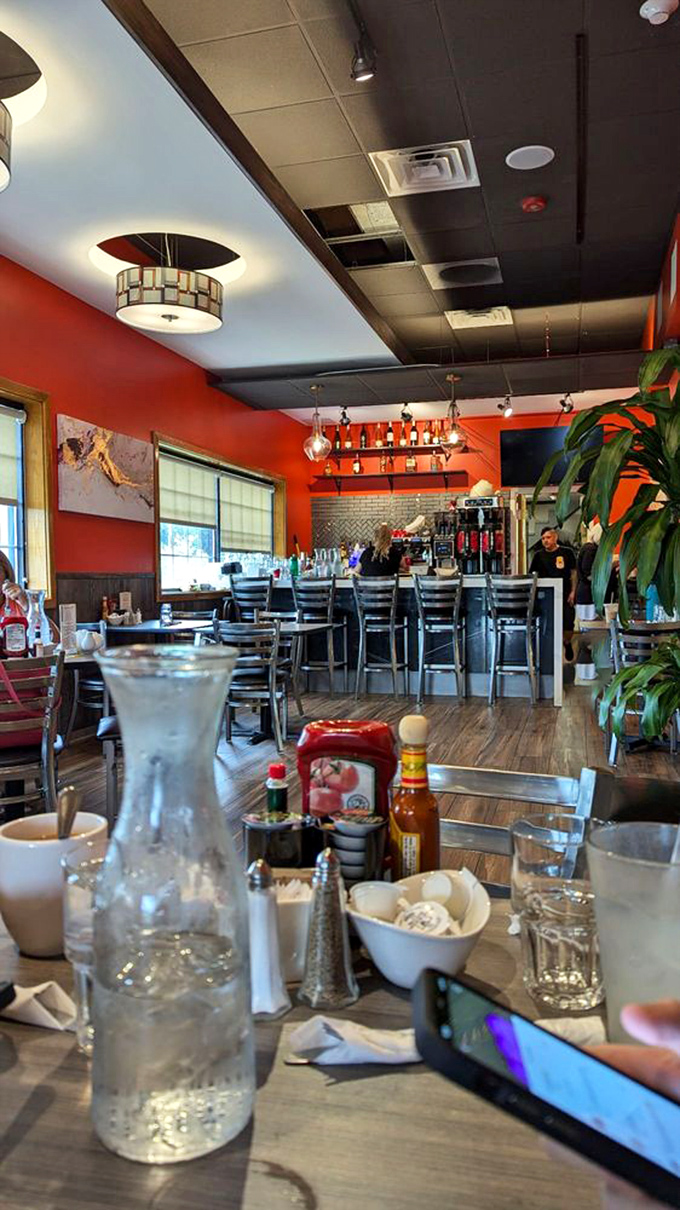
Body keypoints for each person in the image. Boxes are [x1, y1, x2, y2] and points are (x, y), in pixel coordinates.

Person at [529, 526, 577, 661]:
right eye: (543, 538)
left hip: (566, 593)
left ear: (555, 537)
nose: (545, 540)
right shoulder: (538, 555)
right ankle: (549, 652)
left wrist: (573, 591)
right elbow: (532, 575)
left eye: (548, 537)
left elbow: (574, 573)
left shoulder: (567, 552)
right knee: (548, 623)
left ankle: (567, 643)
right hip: (546, 595)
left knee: (568, 622)